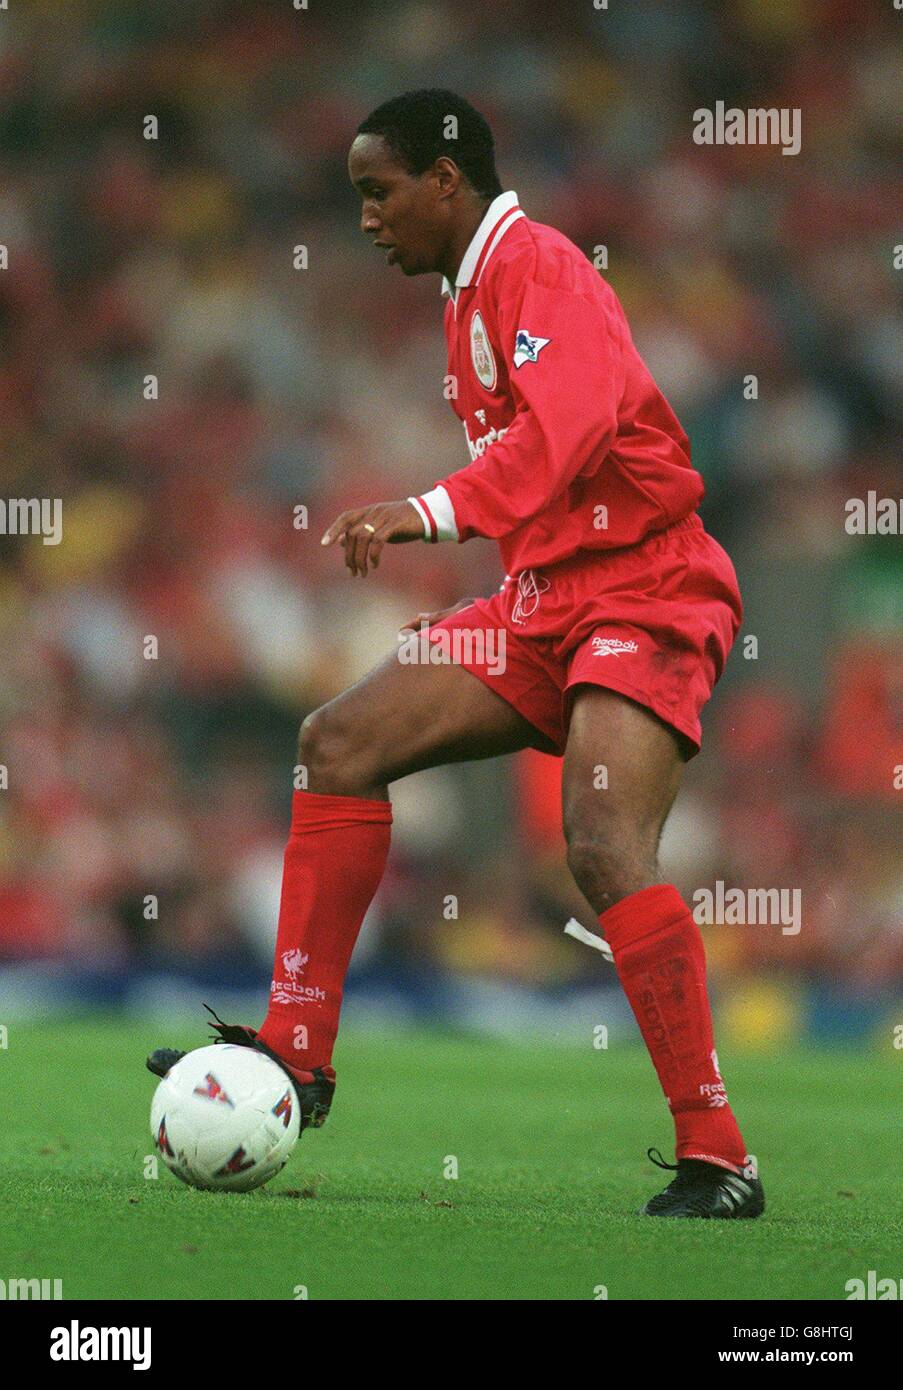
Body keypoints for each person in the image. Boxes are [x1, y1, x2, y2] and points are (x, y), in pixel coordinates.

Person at [149, 89, 763, 1219]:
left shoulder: (543, 267)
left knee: (600, 839)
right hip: (537, 602)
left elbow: (567, 432)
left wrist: (426, 509)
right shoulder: (466, 293)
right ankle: (298, 1049)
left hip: (646, 585)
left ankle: (717, 1154)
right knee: (336, 741)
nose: (369, 218)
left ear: (445, 178)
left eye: (378, 193)